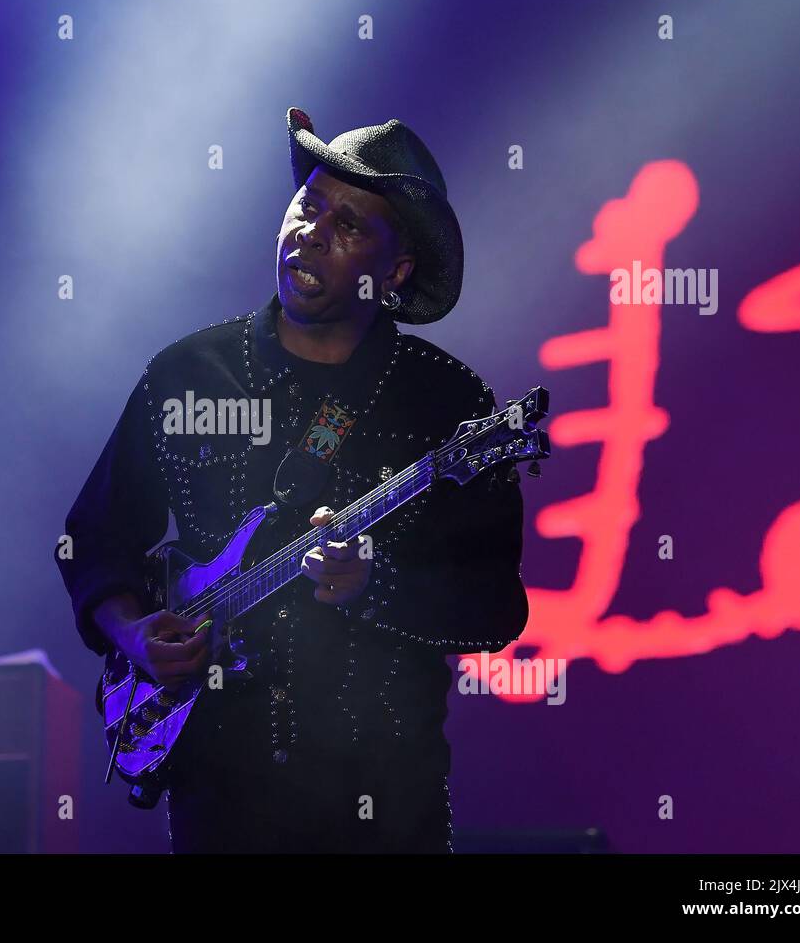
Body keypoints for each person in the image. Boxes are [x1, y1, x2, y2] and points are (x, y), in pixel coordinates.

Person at [56, 107, 530, 853]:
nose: (311, 230)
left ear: (395, 271)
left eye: (348, 225)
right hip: (220, 795)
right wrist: (133, 633)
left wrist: (375, 585)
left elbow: (497, 608)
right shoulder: (189, 374)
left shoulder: (449, 404)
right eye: (308, 204)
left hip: (386, 800)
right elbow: (93, 538)